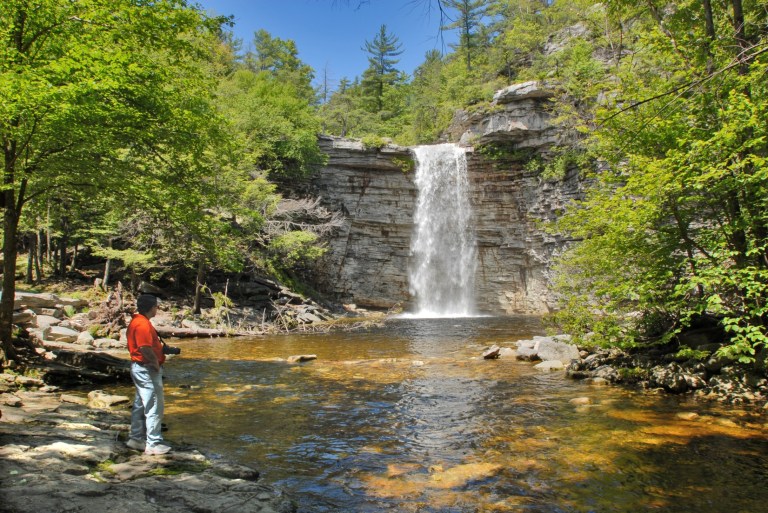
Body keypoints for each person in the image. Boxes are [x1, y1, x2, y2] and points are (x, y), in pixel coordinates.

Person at [126, 294, 171, 455]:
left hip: (139, 367)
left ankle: (136, 438)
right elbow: (144, 348)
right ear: (152, 308)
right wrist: (155, 364)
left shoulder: (136, 321)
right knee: (154, 405)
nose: (157, 309)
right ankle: (153, 443)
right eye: (156, 306)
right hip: (146, 369)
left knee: (140, 404)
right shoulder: (142, 324)